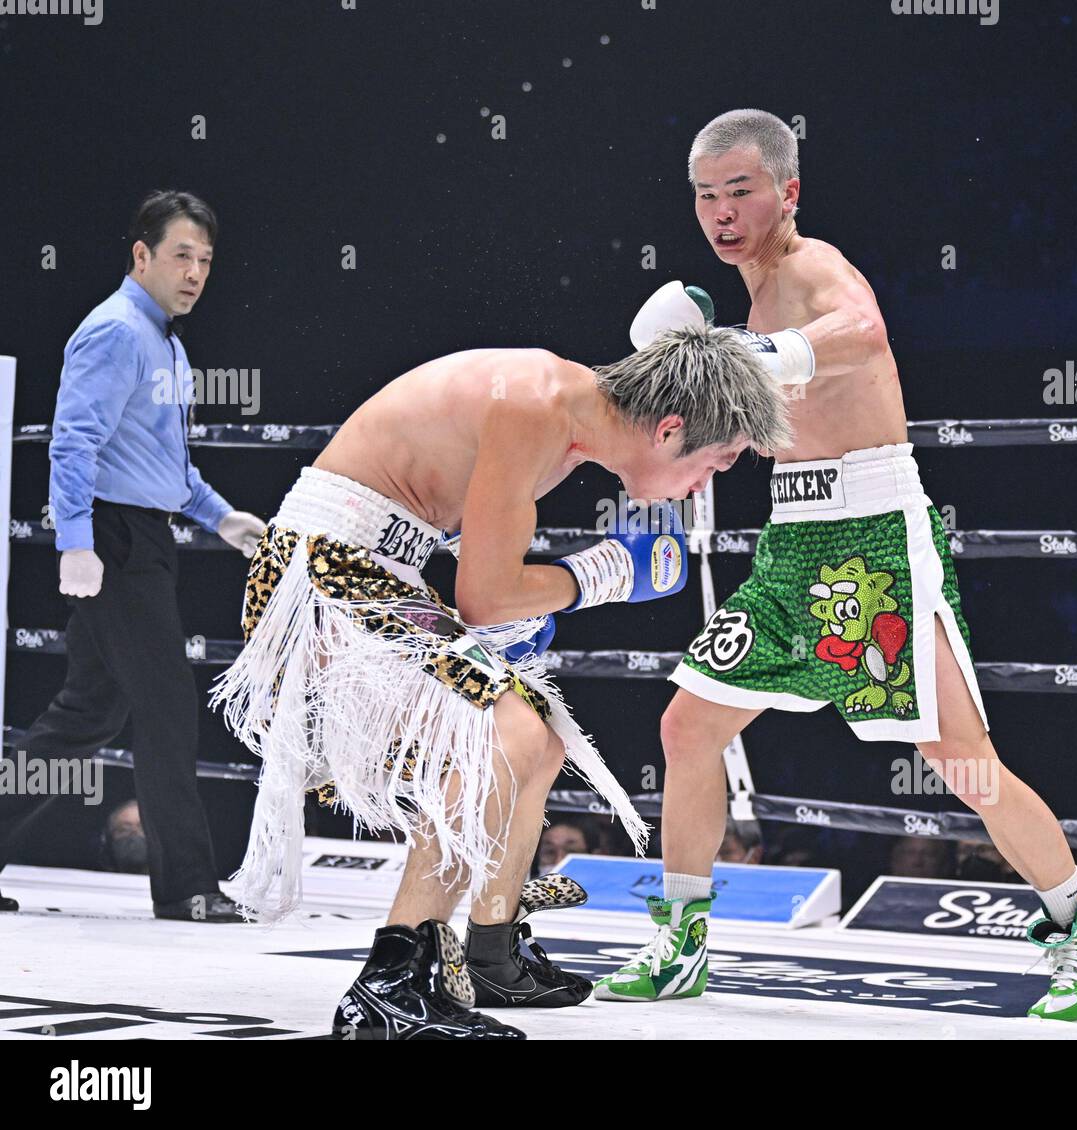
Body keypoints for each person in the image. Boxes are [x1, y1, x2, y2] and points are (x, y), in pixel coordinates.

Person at [596, 109, 1077, 1022]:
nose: (722, 213)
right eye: (706, 197)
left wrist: (768, 352)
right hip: (790, 548)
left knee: (958, 758)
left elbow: (868, 330)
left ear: (787, 191)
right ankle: (681, 937)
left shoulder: (811, 267)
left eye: (741, 192)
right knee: (689, 729)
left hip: (871, 540)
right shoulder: (753, 295)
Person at [211, 326, 791, 1040]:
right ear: (670, 429)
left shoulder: (563, 417)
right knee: (503, 733)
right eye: (719, 460)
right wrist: (603, 574)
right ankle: (392, 986)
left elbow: (474, 572)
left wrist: (509, 614)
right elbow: (488, 595)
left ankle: (489, 950)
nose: (707, 484)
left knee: (538, 737)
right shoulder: (537, 405)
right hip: (323, 573)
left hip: (373, 570)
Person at [0, 190, 265, 922]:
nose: (195, 272)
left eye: (206, 260)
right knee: (169, 707)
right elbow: (73, 441)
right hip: (115, 541)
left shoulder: (166, 342)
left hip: (140, 534)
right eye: (182, 255)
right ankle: (186, 887)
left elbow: (163, 461)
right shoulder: (116, 331)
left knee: (85, 714)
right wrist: (76, 543)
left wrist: (220, 517)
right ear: (141, 255)